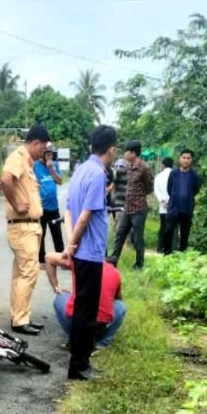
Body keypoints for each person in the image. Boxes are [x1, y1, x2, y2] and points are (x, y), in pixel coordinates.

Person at [64, 124, 118, 380]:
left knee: (83, 310)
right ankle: (79, 365)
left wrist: (69, 244)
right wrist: (73, 244)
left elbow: (68, 212)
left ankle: (80, 361)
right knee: (86, 313)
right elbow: (84, 216)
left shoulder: (79, 171)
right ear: (112, 149)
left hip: (80, 252)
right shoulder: (98, 174)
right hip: (90, 253)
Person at [1, 124, 52, 335]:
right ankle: (21, 320)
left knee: (21, 274)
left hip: (28, 228)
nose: (44, 153)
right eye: (43, 148)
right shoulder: (18, 156)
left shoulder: (27, 161)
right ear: (35, 143)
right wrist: (16, 204)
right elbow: (5, 179)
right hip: (23, 228)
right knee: (29, 272)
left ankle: (20, 316)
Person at [44, 251, 126, 350]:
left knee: (60, 298)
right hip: (99, 325)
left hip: (77, 323)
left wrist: (56, 286)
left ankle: (75, 340)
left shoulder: (81, 262)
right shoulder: (116, 273)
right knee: (120, 306)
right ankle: (101, 343)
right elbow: (118, 299)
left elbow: (48, 257)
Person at [106, 140, 154, 270]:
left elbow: (150, 187)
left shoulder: (144, 168)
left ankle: (139, 263)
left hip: (139, 208)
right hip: (127, 207)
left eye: (126, 151)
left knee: (137, 237)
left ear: (133, 153)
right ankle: (113, 259)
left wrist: (139, 195)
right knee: (120, 234)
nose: (124, 154)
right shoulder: (127, 167)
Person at [164, 149, 202, 252]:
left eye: (188, 158)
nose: (186, 160)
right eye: (184, 158)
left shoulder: (194, 175)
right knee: (168, 230)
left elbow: (196, 189)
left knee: (185, 232)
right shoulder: (174, 173)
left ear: (191, 160)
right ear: (180, 159)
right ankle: (167, 253)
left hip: (187, 208)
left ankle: (182, 253)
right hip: (174, 208)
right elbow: (169, 188)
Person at [34, 142, 64, 264]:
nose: (49, 155)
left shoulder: (55, 165)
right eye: (47, 153)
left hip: (54, 207)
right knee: (41, 235)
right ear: (42, 153)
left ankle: (61, 258)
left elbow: (60, 181)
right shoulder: (35, 166)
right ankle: (41, 260)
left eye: (51, 153)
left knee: (57, 234)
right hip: (41, 207)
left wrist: (51, 168)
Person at [154, 157, 173, 254]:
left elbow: (156, 191)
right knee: (172, 228)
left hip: (163, 206)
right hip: (173, 205)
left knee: (162, 227)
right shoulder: (175, 175)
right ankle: (170, 248)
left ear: (163, 165)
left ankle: (160, 247)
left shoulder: (158, 176)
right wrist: (170, 201)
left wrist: (162, 201)